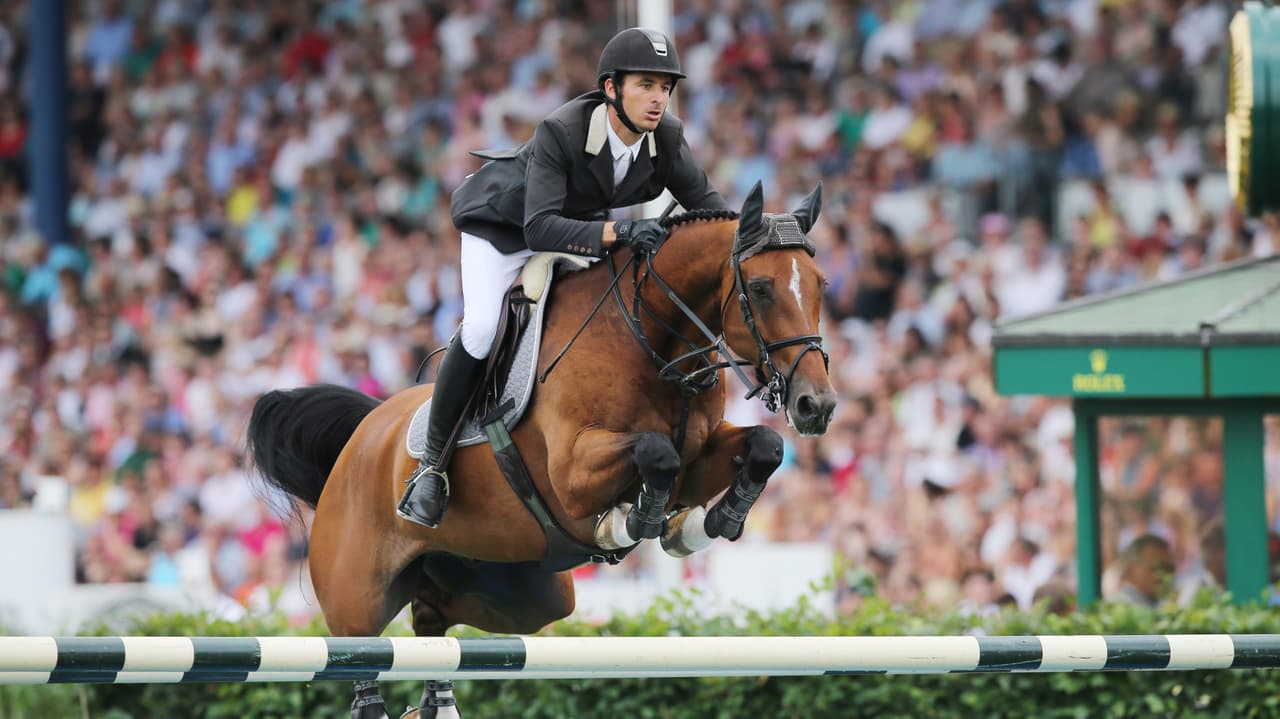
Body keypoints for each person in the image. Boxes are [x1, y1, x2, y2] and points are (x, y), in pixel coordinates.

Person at [397, 27, 729, 528]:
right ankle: (431, 468)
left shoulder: (666, 139)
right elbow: (539, 225)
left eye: (665, 87)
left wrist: (758, 238)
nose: (658, 98)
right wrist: (620, 230)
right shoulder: (563, 129)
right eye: (645, 84)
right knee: (485, 326)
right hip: (504, 232)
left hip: (577, 230)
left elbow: (712, 216)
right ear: (611, 88)